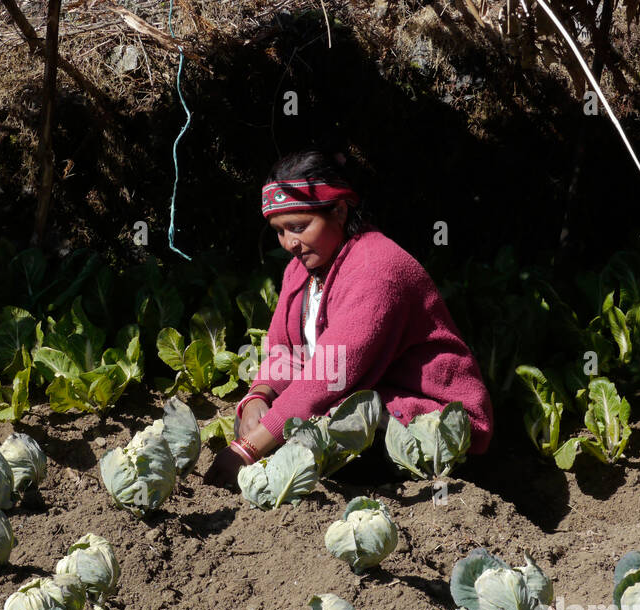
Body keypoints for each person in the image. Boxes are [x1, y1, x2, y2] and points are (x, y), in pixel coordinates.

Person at [203, 150, 493, 487]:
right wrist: (259, 396)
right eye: (279, 231)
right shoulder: (300, 271)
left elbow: (328, 375)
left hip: (431, 419)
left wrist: (247, 449)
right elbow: (282, 350)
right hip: (364, 398)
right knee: (265, 425)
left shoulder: (378, 271)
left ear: (339, 210)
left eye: (299, 227)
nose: (289, 243)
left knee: (316, 439)